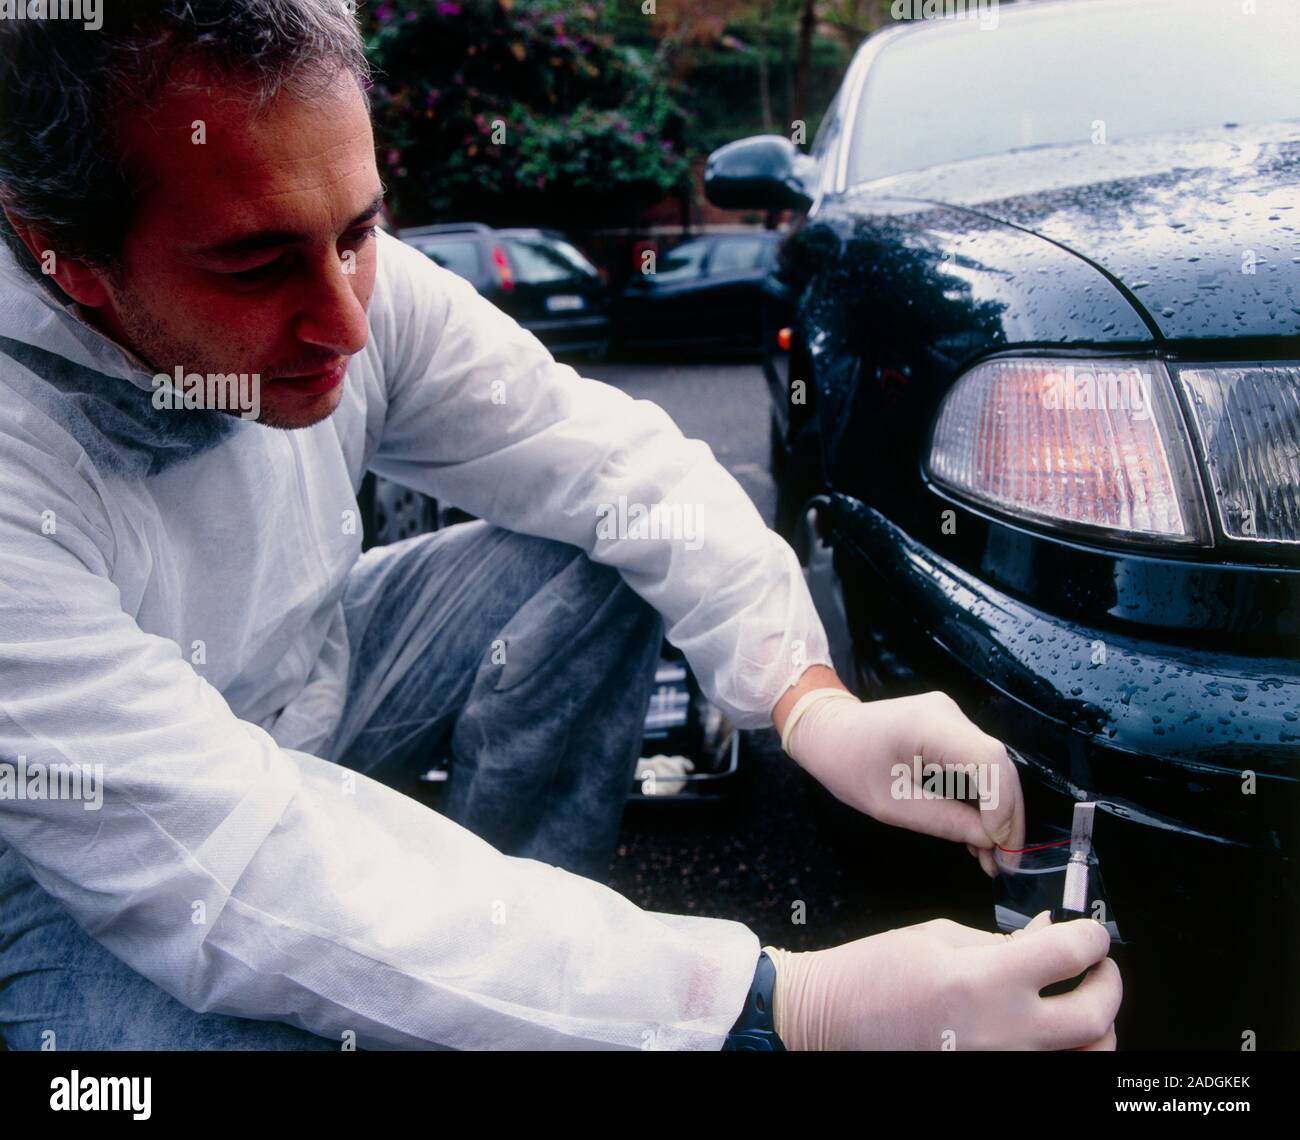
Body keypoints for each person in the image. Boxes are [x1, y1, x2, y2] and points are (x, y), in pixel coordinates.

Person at [0, 1, 1120, 1051]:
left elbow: (610, 463)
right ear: (65, 254)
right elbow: (235, 871)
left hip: (309, 687)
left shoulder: (345, 291)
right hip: (76, 878)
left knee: (607, 544)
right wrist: (784, 1003)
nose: (344, 320)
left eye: (359, 232)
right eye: (256, 264)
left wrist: (804, 698)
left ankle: (539, 957)